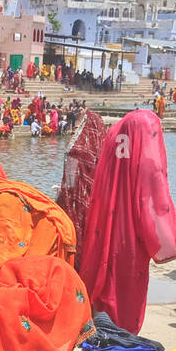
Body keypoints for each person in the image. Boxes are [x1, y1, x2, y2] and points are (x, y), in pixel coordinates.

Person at [77, 110, 176, 333]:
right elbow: (154, 196)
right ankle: (120, 328)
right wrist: (166, 243)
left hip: (105, 219)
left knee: (104, 266)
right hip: (130, 228)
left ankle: (99, 319)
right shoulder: (144, 145)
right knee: (125, 273)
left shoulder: (115, 135)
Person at [56, 109, 108, 268]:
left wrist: (62, 196)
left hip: (77, 203)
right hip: (92, 202)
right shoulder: (101, 148)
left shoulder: (78, 149)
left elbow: (70, 182)